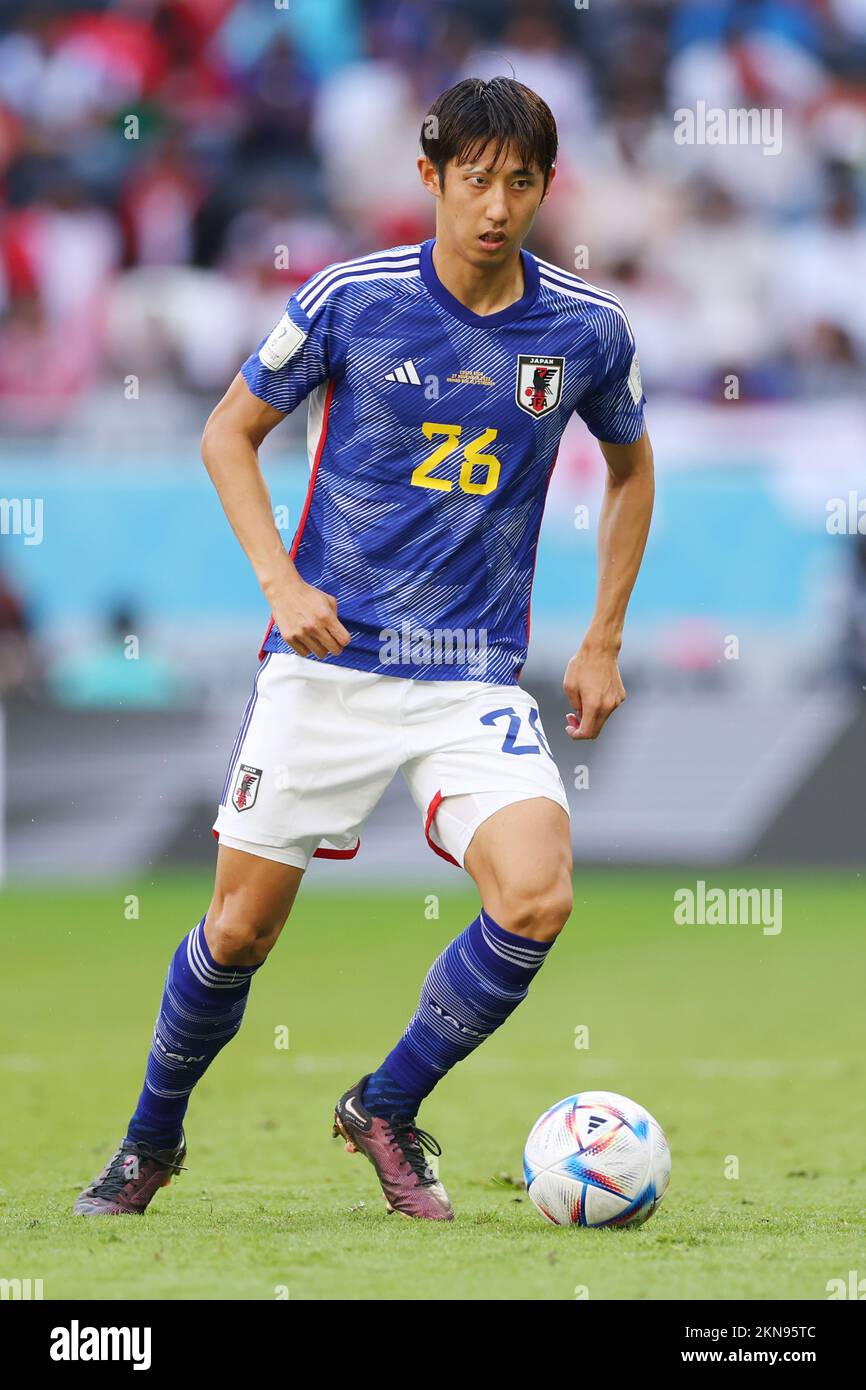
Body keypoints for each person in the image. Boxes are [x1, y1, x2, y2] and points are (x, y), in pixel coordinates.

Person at [74, 76, 654, 1221]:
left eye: (521, 182)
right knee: (238, 929)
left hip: (471, 676)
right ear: (430, 177)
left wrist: (601, 638)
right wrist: (279, 583)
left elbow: (631, 467)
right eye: (475, 178)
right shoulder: (351, 298)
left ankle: (384, 1106)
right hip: (328, 662)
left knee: (536, 895)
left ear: (546, 187)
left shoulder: (585, 328)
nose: (496, 205)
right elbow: (227, 433)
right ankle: (150, 1143)